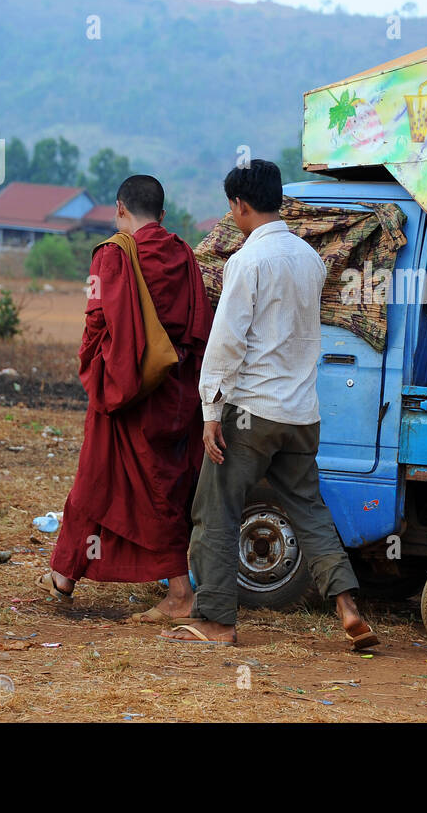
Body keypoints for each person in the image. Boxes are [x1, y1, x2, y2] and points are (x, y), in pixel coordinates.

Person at [164, 159, 379, 648]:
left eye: (231, 208)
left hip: (251, 412)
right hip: (302, 414)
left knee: (215, 509)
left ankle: (217, 621)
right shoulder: (311, 259)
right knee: (309, 509)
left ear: (239, 206)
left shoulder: (247, 261)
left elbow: (227, 342)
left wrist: (211, 411)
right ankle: (347, 605)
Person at [39, 175, 213, 622]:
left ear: (120, 208)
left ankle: (179, 592)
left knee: (103, 482)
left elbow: (98, 321)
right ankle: (65, 572)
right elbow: (199, 329)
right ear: (164, 214)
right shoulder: (185, 256)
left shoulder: (112, 254)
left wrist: (104, 375)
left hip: (127, 396)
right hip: (173, 396)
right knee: (152, 488)